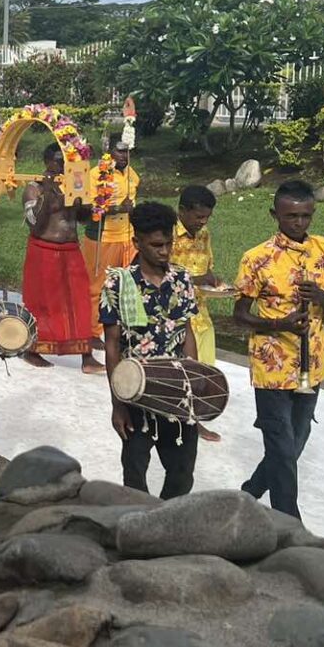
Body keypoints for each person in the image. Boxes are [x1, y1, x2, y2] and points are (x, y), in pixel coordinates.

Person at [233, 180, 324, 522]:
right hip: (272, 363)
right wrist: (279, 325)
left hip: (313, 362)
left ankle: (251, 490)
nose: (298, 223)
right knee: (280, 444)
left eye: (305, 216)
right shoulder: (257, 258)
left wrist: (322, 299)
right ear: (275, 215)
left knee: (295, 443)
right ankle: (289, 520)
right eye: (290, 216)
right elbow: (239, 315)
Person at [102, 202, 204, 499]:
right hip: (136, 394)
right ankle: (137, 531)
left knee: (182, 473)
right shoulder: (119, 283)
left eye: (169, 243)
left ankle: (165, 527)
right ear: (137, 242)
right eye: (156, 244)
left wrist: (194, 381)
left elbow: (187, 332)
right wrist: (117, 403)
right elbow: (112, 346)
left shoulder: (182, 279)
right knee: (134, 473)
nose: (164, 251)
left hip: (176, 394)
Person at [21, 144, 104, 374]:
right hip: (44, 250)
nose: (62, 165)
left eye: (66, 161)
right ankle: (32, 349)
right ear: (47, 162)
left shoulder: (73, 183)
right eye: (58, 160)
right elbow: (35, 225)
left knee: (80, 301)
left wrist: (86, 203)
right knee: (43, 303)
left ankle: (86, 357)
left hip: (71, 249)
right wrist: (48, 193)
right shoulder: (33, 189)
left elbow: (85, 219)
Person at [172, 184, 226, 441]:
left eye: (207, 217)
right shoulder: (168, 234)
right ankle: (187, 422)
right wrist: (199, 278)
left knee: (205, 369)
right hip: (175, 315)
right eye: (198, 217)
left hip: (200, 312)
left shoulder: (204, 235)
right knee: (184, 370)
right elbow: (164, 273)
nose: (202, 222)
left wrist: (213, 280)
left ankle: (195, 419)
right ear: (182, 211)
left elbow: (208, 267)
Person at [82, 139, 139, 342]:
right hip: (102, 238)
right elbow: (89, 209)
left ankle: (122, 329)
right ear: (109, 151)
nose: (124, 155)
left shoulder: (132, 175)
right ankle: (92, 332)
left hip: (128, 238)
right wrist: (118, 209)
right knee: (97, 286)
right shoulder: (97, 175)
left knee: (125, 286)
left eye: (126, 152)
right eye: (119, 151)